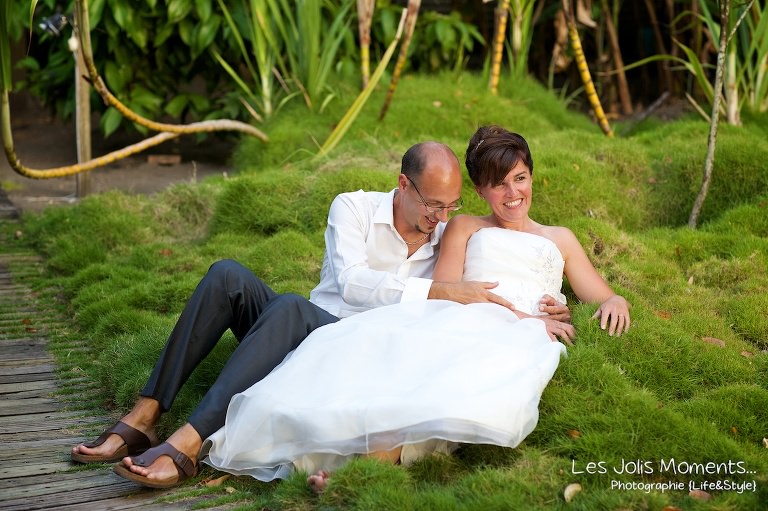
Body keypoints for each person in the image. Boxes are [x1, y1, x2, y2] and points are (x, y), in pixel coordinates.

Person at [70, 140, 571, 489]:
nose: (440, 217)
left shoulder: (447, 234)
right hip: (312, 327)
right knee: (227, 276)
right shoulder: (352, 208)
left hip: (360, 349)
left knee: (290, 307)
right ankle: (145, 415)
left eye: (451, 206)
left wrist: (539, 308)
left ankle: (188, 444)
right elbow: (351, 282)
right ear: (403, 184)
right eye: (432, 204)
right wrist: (436, 290)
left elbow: (480, 291)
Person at [199, 126, 631, 492]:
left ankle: (369, 463)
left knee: (468, 381)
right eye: (498, 184)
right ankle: (354, 454)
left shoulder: (560, 238)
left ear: (532, 176)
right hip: (465, 317)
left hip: (522, 335)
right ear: (479, 191)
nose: (512, 192)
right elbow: (443, 291)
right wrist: (519, 314)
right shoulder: (463, 226)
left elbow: (601, 293)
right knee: (413, 376)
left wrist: (614, 300)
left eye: (520, 178)